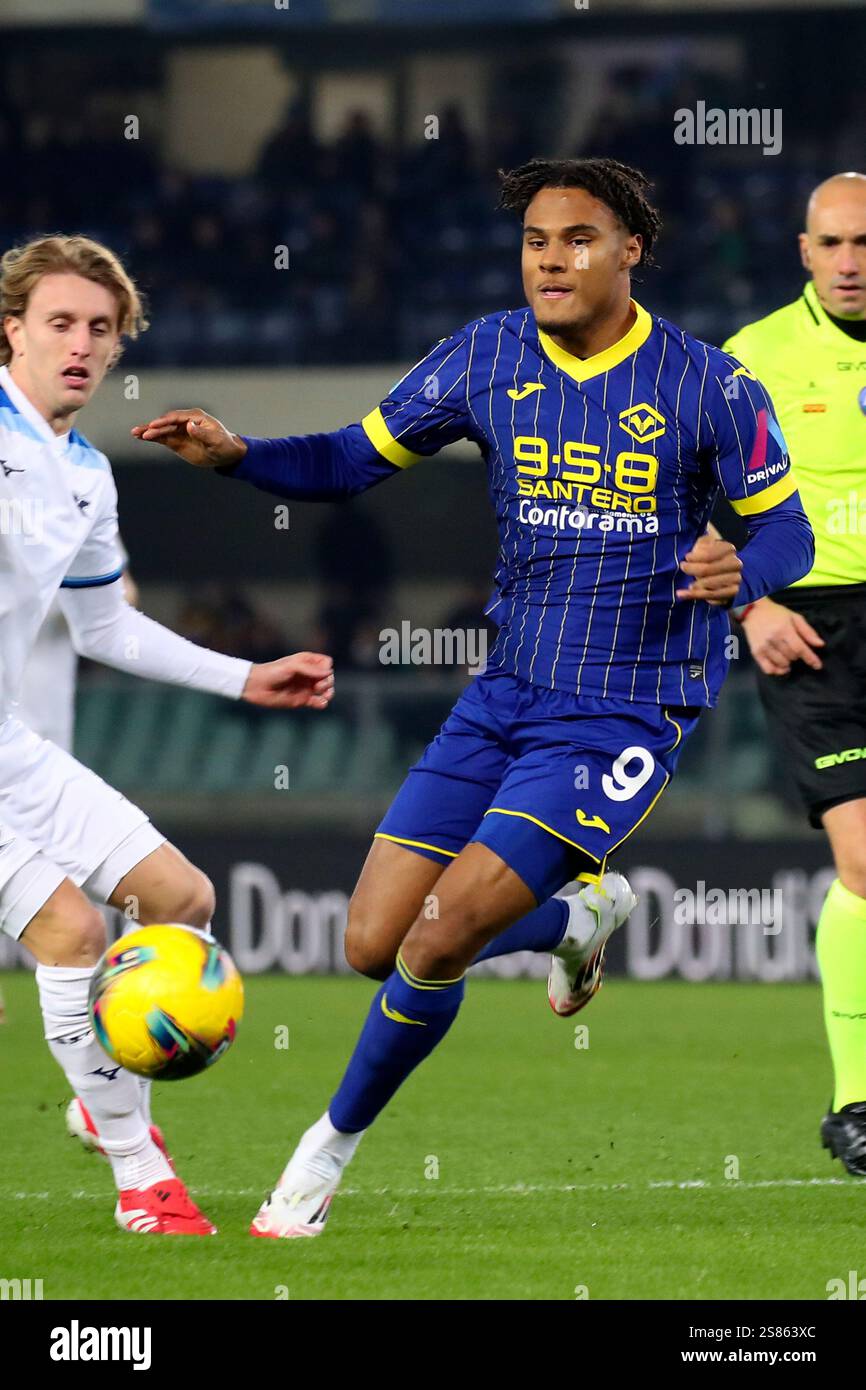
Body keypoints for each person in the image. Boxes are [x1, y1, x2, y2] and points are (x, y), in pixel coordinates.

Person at [133, 157, 814, 1238]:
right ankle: (577, 915)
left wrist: (746, 561)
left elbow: (787, 527)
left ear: (629, 249)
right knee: (370, 942)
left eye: (578, 239)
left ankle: (321, 1156)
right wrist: (236, 457)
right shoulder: (486, 354)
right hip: (502, 694)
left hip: (624, 708)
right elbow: (351, 459)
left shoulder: (705, 385)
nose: (552, 258)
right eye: (537, 240)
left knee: (436, 939)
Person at [0, 234, 334, 1235]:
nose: (81, 344)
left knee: (180, 895)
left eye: (100, 329)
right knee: (69, 927)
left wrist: (246, 675)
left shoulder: (87, 476)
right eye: (58, 322)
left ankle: (97, 1094)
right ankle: (142, 1176)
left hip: (8, 745)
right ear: (9, 329)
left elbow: (102, 628)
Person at [723, 171, 866, 1174]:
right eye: (833, 244)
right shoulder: (755, 357)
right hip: (812, 629)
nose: (850, 262)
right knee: (862, 863)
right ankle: (855, 1098)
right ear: (803, 251)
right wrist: (749, 605)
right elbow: (682, 495)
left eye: (864, 244)